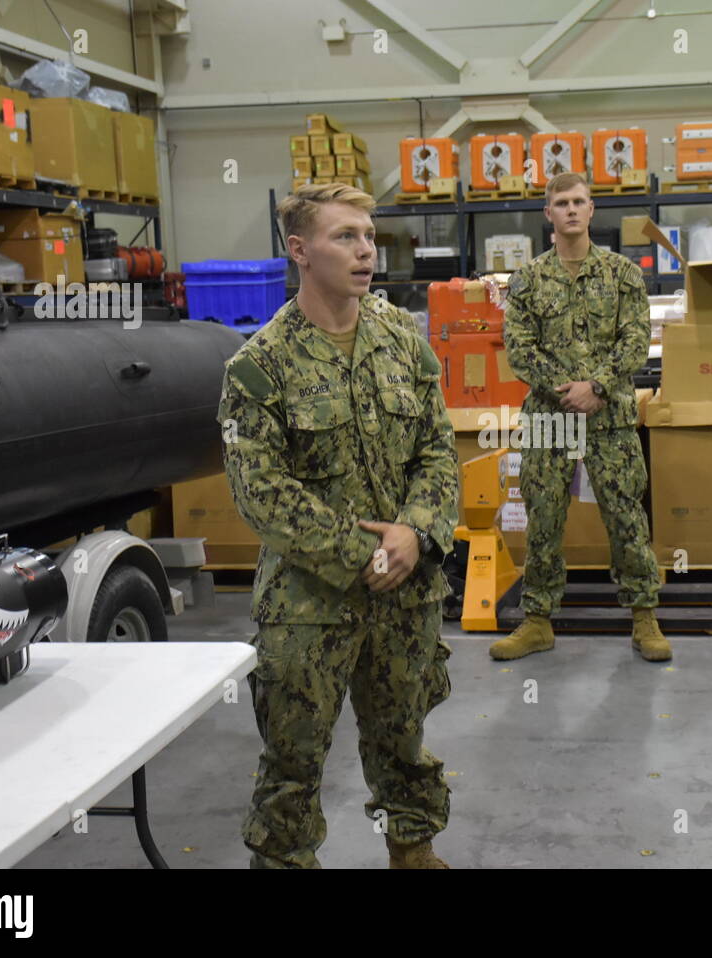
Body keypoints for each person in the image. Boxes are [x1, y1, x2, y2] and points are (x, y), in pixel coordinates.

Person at [218, 182, 459, 869]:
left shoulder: (401, 341)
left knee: (403, 740)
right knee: (292, 760)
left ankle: (413, 849)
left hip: (405, 590)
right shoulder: (258, 366)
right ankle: (288, 860)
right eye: (344, 236)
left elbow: (438, 450)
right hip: (308, 602)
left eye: (368, 236)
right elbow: (261, 492)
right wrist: (365, 553)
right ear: (299, 250)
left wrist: (414, 532)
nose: (364, 250)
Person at [492, 171, 668, 662]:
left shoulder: (622, 274)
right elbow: (519, 348)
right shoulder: (527, 278)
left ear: (592, 211)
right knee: (544, 517)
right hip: (551, 417)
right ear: (548, 214)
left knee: (626, 515)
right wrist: (566, 391)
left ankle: (644, 617)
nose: (571, 210)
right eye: (561, 203)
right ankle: (537, 621)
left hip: (608, 416)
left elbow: (636, 339)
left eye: (579, 202)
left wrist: (598, 387)